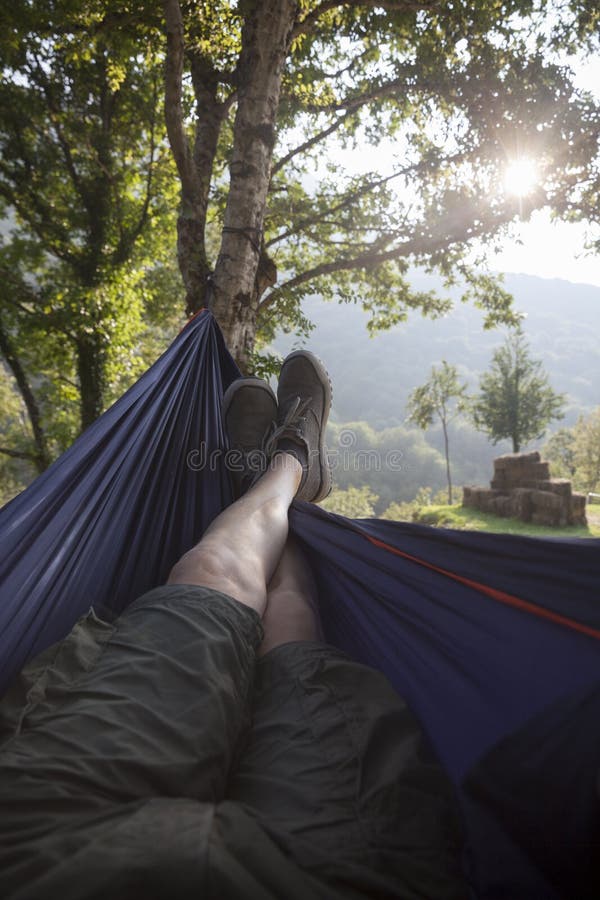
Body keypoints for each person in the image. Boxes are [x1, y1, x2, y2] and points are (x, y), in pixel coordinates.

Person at [0, 351, 467, 899]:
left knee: (210, 573)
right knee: (292, 632)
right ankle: (289, 464)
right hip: (335, 874)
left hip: (46, 843)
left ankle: (266, 480)